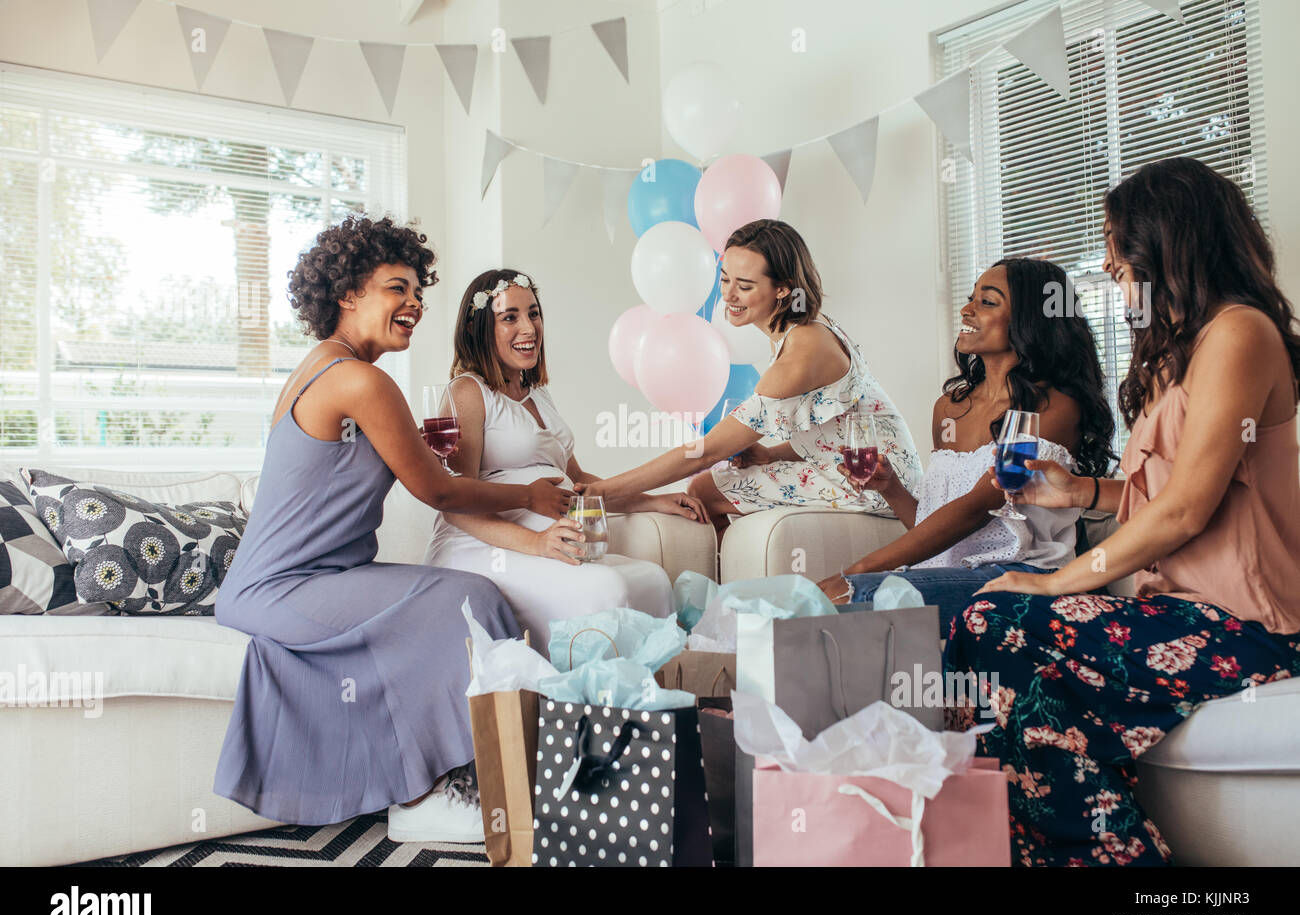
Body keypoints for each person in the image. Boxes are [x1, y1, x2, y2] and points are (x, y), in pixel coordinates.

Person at [947, 157, 1300, 866]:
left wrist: (1053, 581)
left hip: (1251, 626)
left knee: (997, 622)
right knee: (981, 641)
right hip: (1179, 612)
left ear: (1171, 243)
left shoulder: (1240, 334)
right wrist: (1077, 493)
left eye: (1118, 246)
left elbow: (1186, 511)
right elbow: (1165, 493)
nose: (1108, 265)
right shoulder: (1182, 353)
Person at [214, 217, 573, 845]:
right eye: (395, 289)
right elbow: (436, 490)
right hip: (283, 587)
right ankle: (432, 795)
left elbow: (417, 470)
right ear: (348, 294)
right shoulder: (359, 380)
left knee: (452, 597)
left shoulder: (325, 368)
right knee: (470, 597)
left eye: (418, 293)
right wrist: (529, 494)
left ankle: (471, 782)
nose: (413, 305)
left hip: (319, 578)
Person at [814, 257, 1116, 632]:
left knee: (856, 595)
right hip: (952, 573)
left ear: (1030, 320)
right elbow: (936, 526)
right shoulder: (949, 407)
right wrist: (892, 489)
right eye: (971, 298)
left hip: (1020, 576)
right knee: (825, 600)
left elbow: (977, 508)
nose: (966, 309)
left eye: (987, 302)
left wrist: (862, 569)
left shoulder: (1052, 407)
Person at [576, 219, 921, 533]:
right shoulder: (806, 330)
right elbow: (833, 435)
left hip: (878, 484)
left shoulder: (799, 357)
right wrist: (771, 455)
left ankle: (730, 590)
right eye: (725, 279)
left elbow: (706, 451)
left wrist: (602, 491)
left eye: (744, 285)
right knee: (712, 483)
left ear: (783, 289)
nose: (728, 294)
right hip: (868, 469)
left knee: (703, 488)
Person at [424, 269, 706, 653]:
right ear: (481, 328)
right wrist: (537, 542)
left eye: (534, 313)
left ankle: (653, 701)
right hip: (483, 548)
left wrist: (652, 500)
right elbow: (457, 506)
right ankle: (593, 701)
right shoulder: (468, 392)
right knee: (606, 588)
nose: (529, 327)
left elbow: (578, 485)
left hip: (548, 542)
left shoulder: (538, 395)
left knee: (652, 579)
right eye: (510, 317)